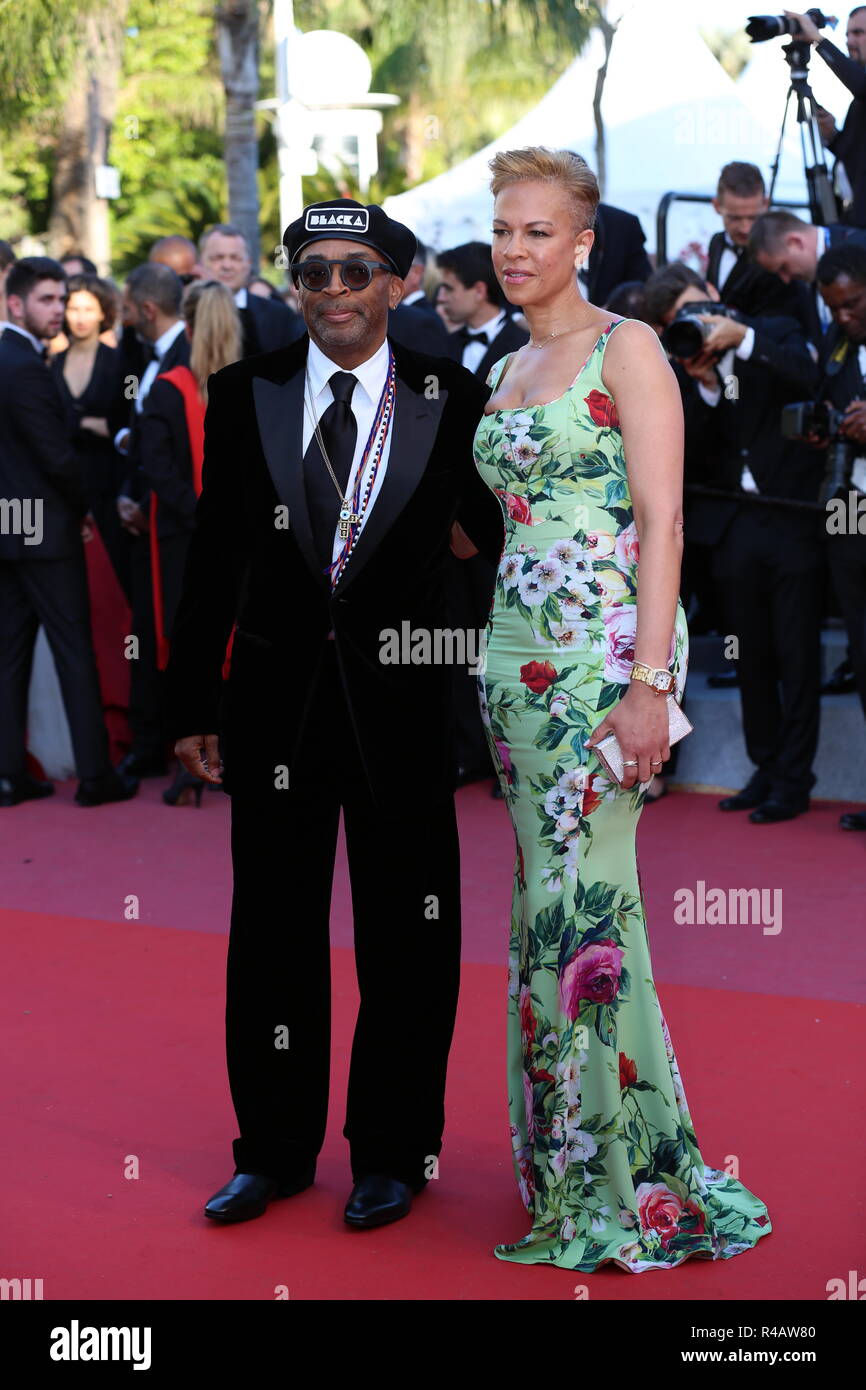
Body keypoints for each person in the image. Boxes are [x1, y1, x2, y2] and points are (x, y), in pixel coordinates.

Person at [163, 198, 503, 1230]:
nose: (335, 292)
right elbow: (212, 556)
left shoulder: (452, 391)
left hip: (402, 708)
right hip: (272, 711)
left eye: (356, 271)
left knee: (408, 935)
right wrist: (188, 704)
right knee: (270, 934)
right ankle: (268, 1149)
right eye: (313, 273)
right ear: (292, 286)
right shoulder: (247, 390)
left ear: (395, 283)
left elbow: (488, 542)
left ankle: (393, 1152)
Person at [466, 147, 771, 1270]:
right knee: (542, 905)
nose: (512, 249)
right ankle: (564, 1165)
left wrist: (649, 687)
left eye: (535, 231)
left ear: (582, 241)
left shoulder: (624, 345)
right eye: (502, 230)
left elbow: (663, 523)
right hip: (512, 665)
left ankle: (630, 1179)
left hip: (602, 662)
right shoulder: (507, 365)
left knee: (586, 906)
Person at [645, 259, 824, 824]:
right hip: (733, 529)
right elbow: (689, 452)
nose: (699, 321)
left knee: (796, 657)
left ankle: (794, 780)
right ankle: (763, 767)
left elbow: (807, 375)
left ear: (716, 293)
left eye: (702, 307)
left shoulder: (776, 332)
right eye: (683, 318)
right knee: (748, 658)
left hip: (792, 521)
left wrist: (743, 340)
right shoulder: (685, 369)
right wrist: (705, 387)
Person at [0, 257, 137, 807]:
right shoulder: (24, 365)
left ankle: (9, 776)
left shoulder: (15, 358)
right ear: (16, 303)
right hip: (45, 532)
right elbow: (55, 457)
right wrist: (84, 505)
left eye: (62, 300)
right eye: (47, 300)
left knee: (9, 656)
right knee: (74, 650)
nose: (58, 310)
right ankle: (95, 776)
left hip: (9, 529)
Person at [138, 279, 243, 807]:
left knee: (191, 639)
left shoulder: (167, 386)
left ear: (185, 324)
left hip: (187, 535)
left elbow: (153, 465)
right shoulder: (255, 385)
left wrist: (201, 515)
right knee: (233, 638)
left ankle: (192, 763)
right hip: (241, 533)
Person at [114, 262, 191, 780]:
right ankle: (154, 740)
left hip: (181, 527)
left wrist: (161, 503)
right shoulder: (148, 358)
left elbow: (175, 455)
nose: (121, 317)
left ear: (146, 308)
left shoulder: (187, 360)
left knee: (176, 630)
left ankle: (172, 741)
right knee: (150, 628)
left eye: (125, 307)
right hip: (153, 520)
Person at [814, 243, 866, 828]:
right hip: (849, 514)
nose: (844, 316)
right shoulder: (839, 341)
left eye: (853, 303)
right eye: (835, 308)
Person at [51, 274, 129, 597]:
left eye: (88, 309)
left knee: (113, 577)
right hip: (65, 486)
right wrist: (88, 423)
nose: (80, 317)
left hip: (107, 483)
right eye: (73, 308)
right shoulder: (52, 364)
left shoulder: (120, 363)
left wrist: (102, 427)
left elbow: (129, 421)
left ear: (103, 312)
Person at [785, 7, 866, 225]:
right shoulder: (858, 101)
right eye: (847, 34)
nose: (850, 41)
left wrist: (818, 40)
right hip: (851, 221)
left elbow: (861, 84)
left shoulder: (860, 88)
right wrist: (832, 136)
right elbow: (852, 158)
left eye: (858, 33)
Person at [748, 210, 866, 347]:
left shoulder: (860, 247)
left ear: (796, 242)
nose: (785, 279)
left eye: (783, 268)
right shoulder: (805, 285)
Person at [705, 162, 800, 318]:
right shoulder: (717, 242)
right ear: (716, 206)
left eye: (753, 218)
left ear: (765, 204)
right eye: (734, 218)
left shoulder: (778, 256)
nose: (745, 228)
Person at [198, 223, 304, 354]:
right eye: (218, 258)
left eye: (235, 258)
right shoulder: (187, 312)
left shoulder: (279, 317)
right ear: (201, 263)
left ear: (248, 264)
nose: (227, 265)